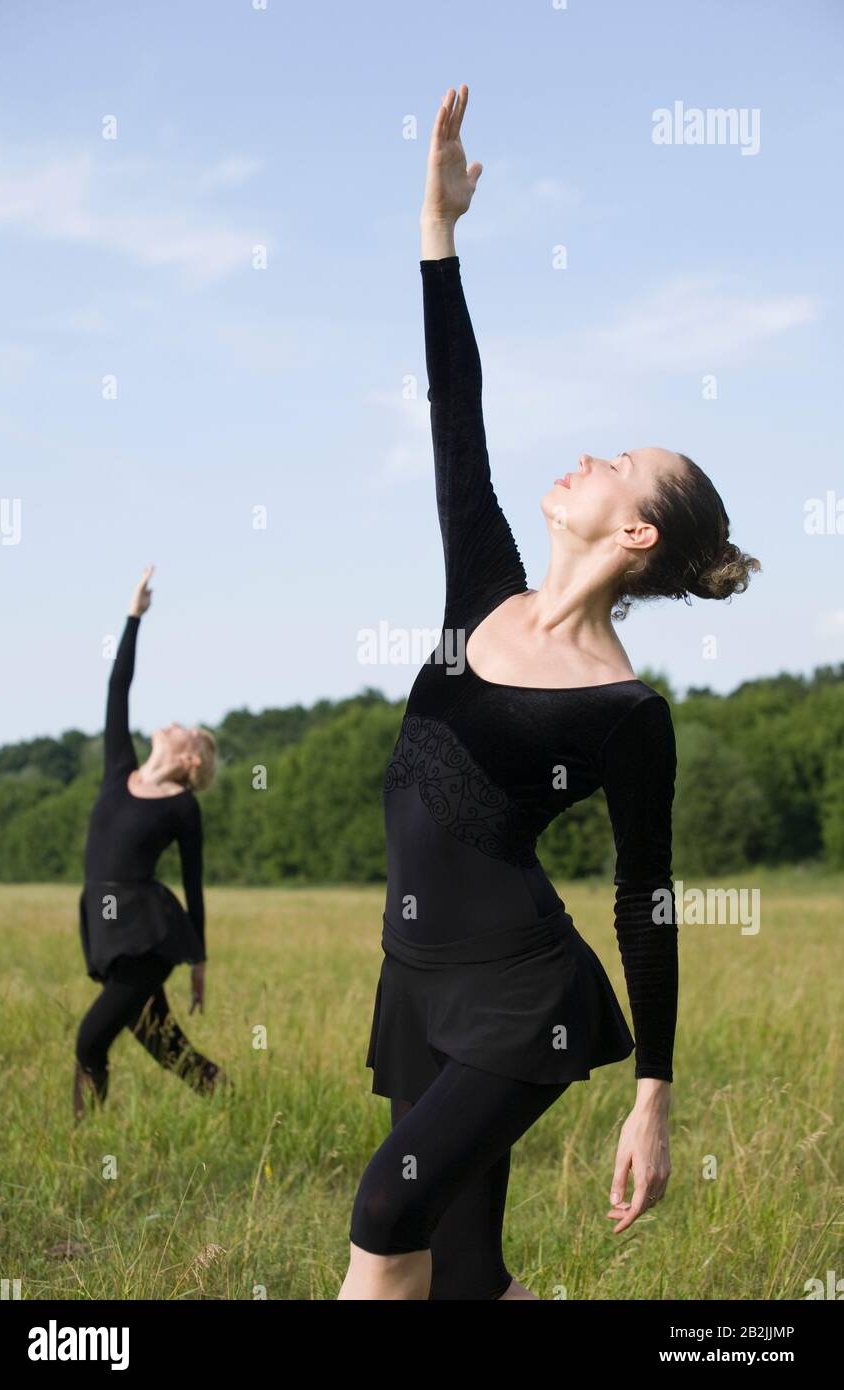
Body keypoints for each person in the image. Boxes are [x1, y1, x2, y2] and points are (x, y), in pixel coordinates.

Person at [339, 86, 760, 1300]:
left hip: (523, 999)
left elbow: (644, 899)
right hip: (413, 981)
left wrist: (653, 1099)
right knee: (468, 1279)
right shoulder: (483, 587)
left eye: (612, 464)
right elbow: (454, 413)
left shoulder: (624, 716)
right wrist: (438, 230)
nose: (581, 456)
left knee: (384, 1213)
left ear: (632, 530)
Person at [74, 565, 228, 1121]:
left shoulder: (182, 806)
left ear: (191, 760)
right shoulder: (120, 770)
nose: (172, 723)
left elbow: (193, 882)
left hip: (148, 934)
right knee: (165, 1046)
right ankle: (227, 1097)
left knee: (89, 1040)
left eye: (184, 728)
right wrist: (134, 617)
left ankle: (80, 1146)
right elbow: (118, 688)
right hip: (105, 921)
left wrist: (199, 963)